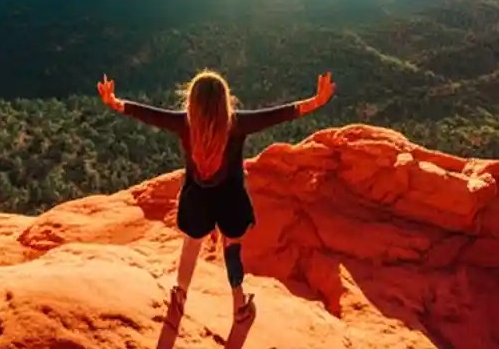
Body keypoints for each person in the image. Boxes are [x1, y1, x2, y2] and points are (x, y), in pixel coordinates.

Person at [96, 69, 336, 323]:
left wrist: (115, 103)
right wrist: (317, 101)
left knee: (192, 244)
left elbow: (149, 114)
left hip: (197, 198)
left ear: (191, 101)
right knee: (232, 248)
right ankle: (239, 302)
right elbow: (280, 114)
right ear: (225, 100)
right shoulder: (237, 123)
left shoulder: (184, 123)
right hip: (231, 198)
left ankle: (180, 296)